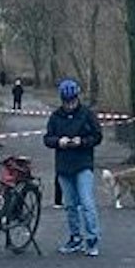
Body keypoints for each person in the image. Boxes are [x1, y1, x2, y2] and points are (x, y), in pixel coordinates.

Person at [45, 78, 103, 255]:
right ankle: (75, 237)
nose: (69, 105)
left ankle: (92, 239)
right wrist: (58, 141)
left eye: (72, 102)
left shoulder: (87, 114)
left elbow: (98, 136)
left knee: (86, 203)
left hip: (83, 163)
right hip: (64, 165)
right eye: (66, 102)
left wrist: (83, 141)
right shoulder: (55, 117)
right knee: (70, 205)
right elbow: (47, 139)